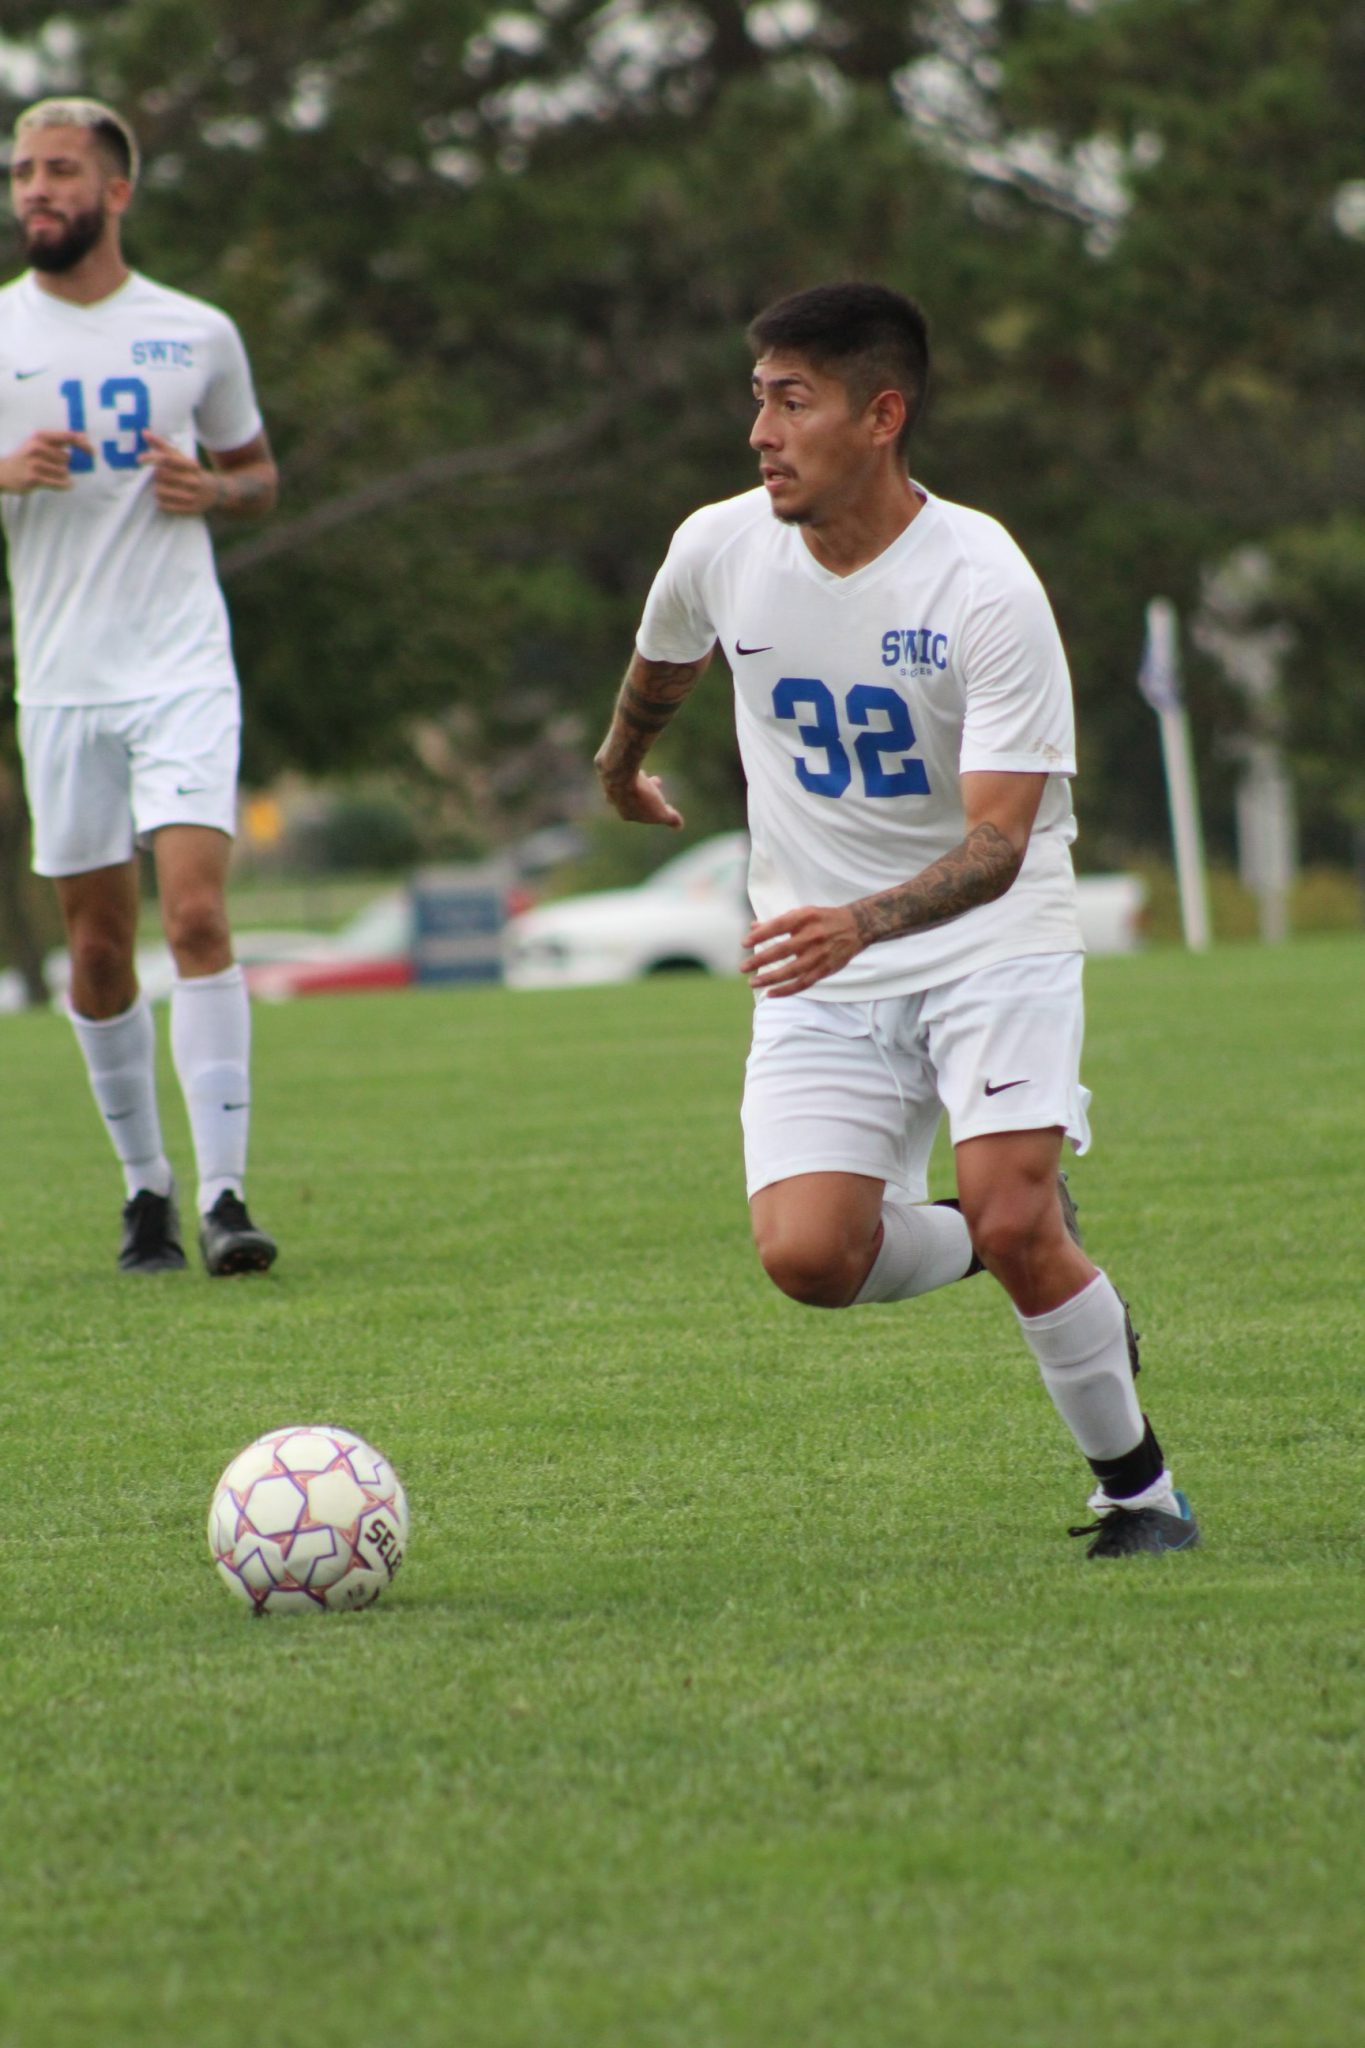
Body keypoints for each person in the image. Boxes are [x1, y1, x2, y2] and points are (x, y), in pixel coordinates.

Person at [595, 281, 1198, 1559]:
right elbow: (666, 655)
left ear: (882, 415)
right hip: (821, 958)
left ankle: (1141, 1494)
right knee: (809, 1255)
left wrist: (861, 924)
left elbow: (999, 842)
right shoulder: (722, 542)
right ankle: (1004, 1243)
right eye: (756, 397)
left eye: (791, 400)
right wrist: (618, 760)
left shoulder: (983, 583)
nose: (760, 431)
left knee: (1013, 1206)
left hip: (989, 937)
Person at [1, 98, 278, 1276]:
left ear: (116, 192)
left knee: (199, 916)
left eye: (59, 172)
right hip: (63, 682)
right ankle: (145, 1193)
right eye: (22, 174)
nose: (33, 193)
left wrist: (210, 491)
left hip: (179, 667)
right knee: (99, 952)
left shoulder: (196, 332)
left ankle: (224, 1198)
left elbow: (257, 474)